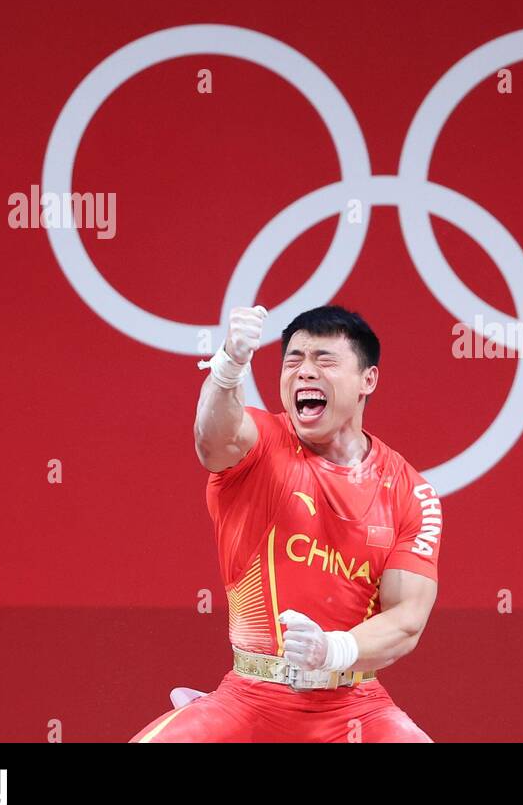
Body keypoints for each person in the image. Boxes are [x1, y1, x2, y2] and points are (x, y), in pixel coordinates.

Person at [130, 304, 442, 742]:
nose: (305, 372)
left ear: (367, 380)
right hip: (248, 701)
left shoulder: (412, 492)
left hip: (355, 710)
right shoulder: (263, 445)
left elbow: (407, 618)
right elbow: (213, 440)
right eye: (294, 360)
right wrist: (228, 367)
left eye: (325, 360)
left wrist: (333, 650)